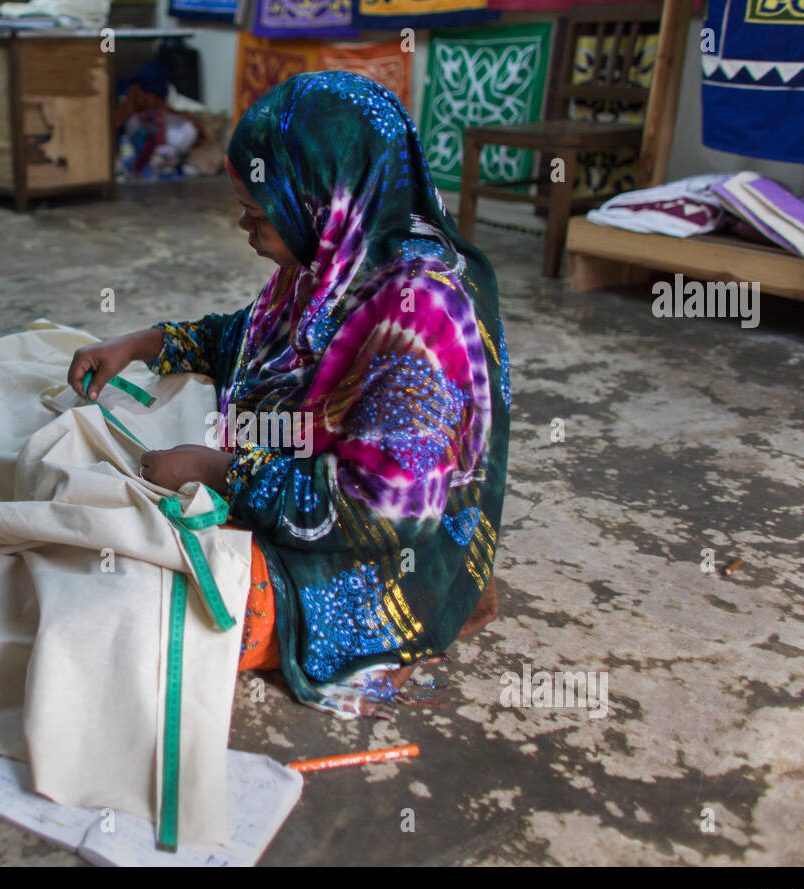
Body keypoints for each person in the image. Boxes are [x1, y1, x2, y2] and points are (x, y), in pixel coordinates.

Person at [66, 71, 511, 718]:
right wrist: (141, 344)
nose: (243, 225)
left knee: (136, 607)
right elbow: (245, 340)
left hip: (376, 561)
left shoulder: (424, 315)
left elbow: (374, 512)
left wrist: (211, 468)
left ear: (325, 195)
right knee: (88, 531)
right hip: (300, 480)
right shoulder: (329, 262)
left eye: (257, 211)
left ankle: (452, 598)